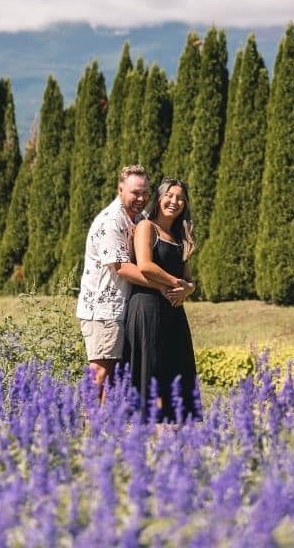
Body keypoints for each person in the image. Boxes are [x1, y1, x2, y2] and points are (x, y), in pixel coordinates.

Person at [75, 164, 184, 402]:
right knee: (101, 372)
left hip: (123, 307)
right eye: (136, 192)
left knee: (115, 376)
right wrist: (164, 286)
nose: (142, 197)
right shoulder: (111, 221)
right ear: (120, 189)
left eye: (145, 192)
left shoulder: (138, 218)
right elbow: (122, 267)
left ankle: (106, 427)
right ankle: (87, 429)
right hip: (103, 311)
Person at [126, 177, 200, 422]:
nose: (174, 201)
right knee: (153, 367)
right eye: (169, 195)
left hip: (173, 311)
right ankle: (145, 427)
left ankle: (175, 428)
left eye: (180, 198)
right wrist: (175, 283)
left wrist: (187, 289)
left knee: (177, 367)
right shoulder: (147, 227)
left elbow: (188, 279)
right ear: (159, 198)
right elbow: (145, 265)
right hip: (148, 307)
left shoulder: (181, 236)